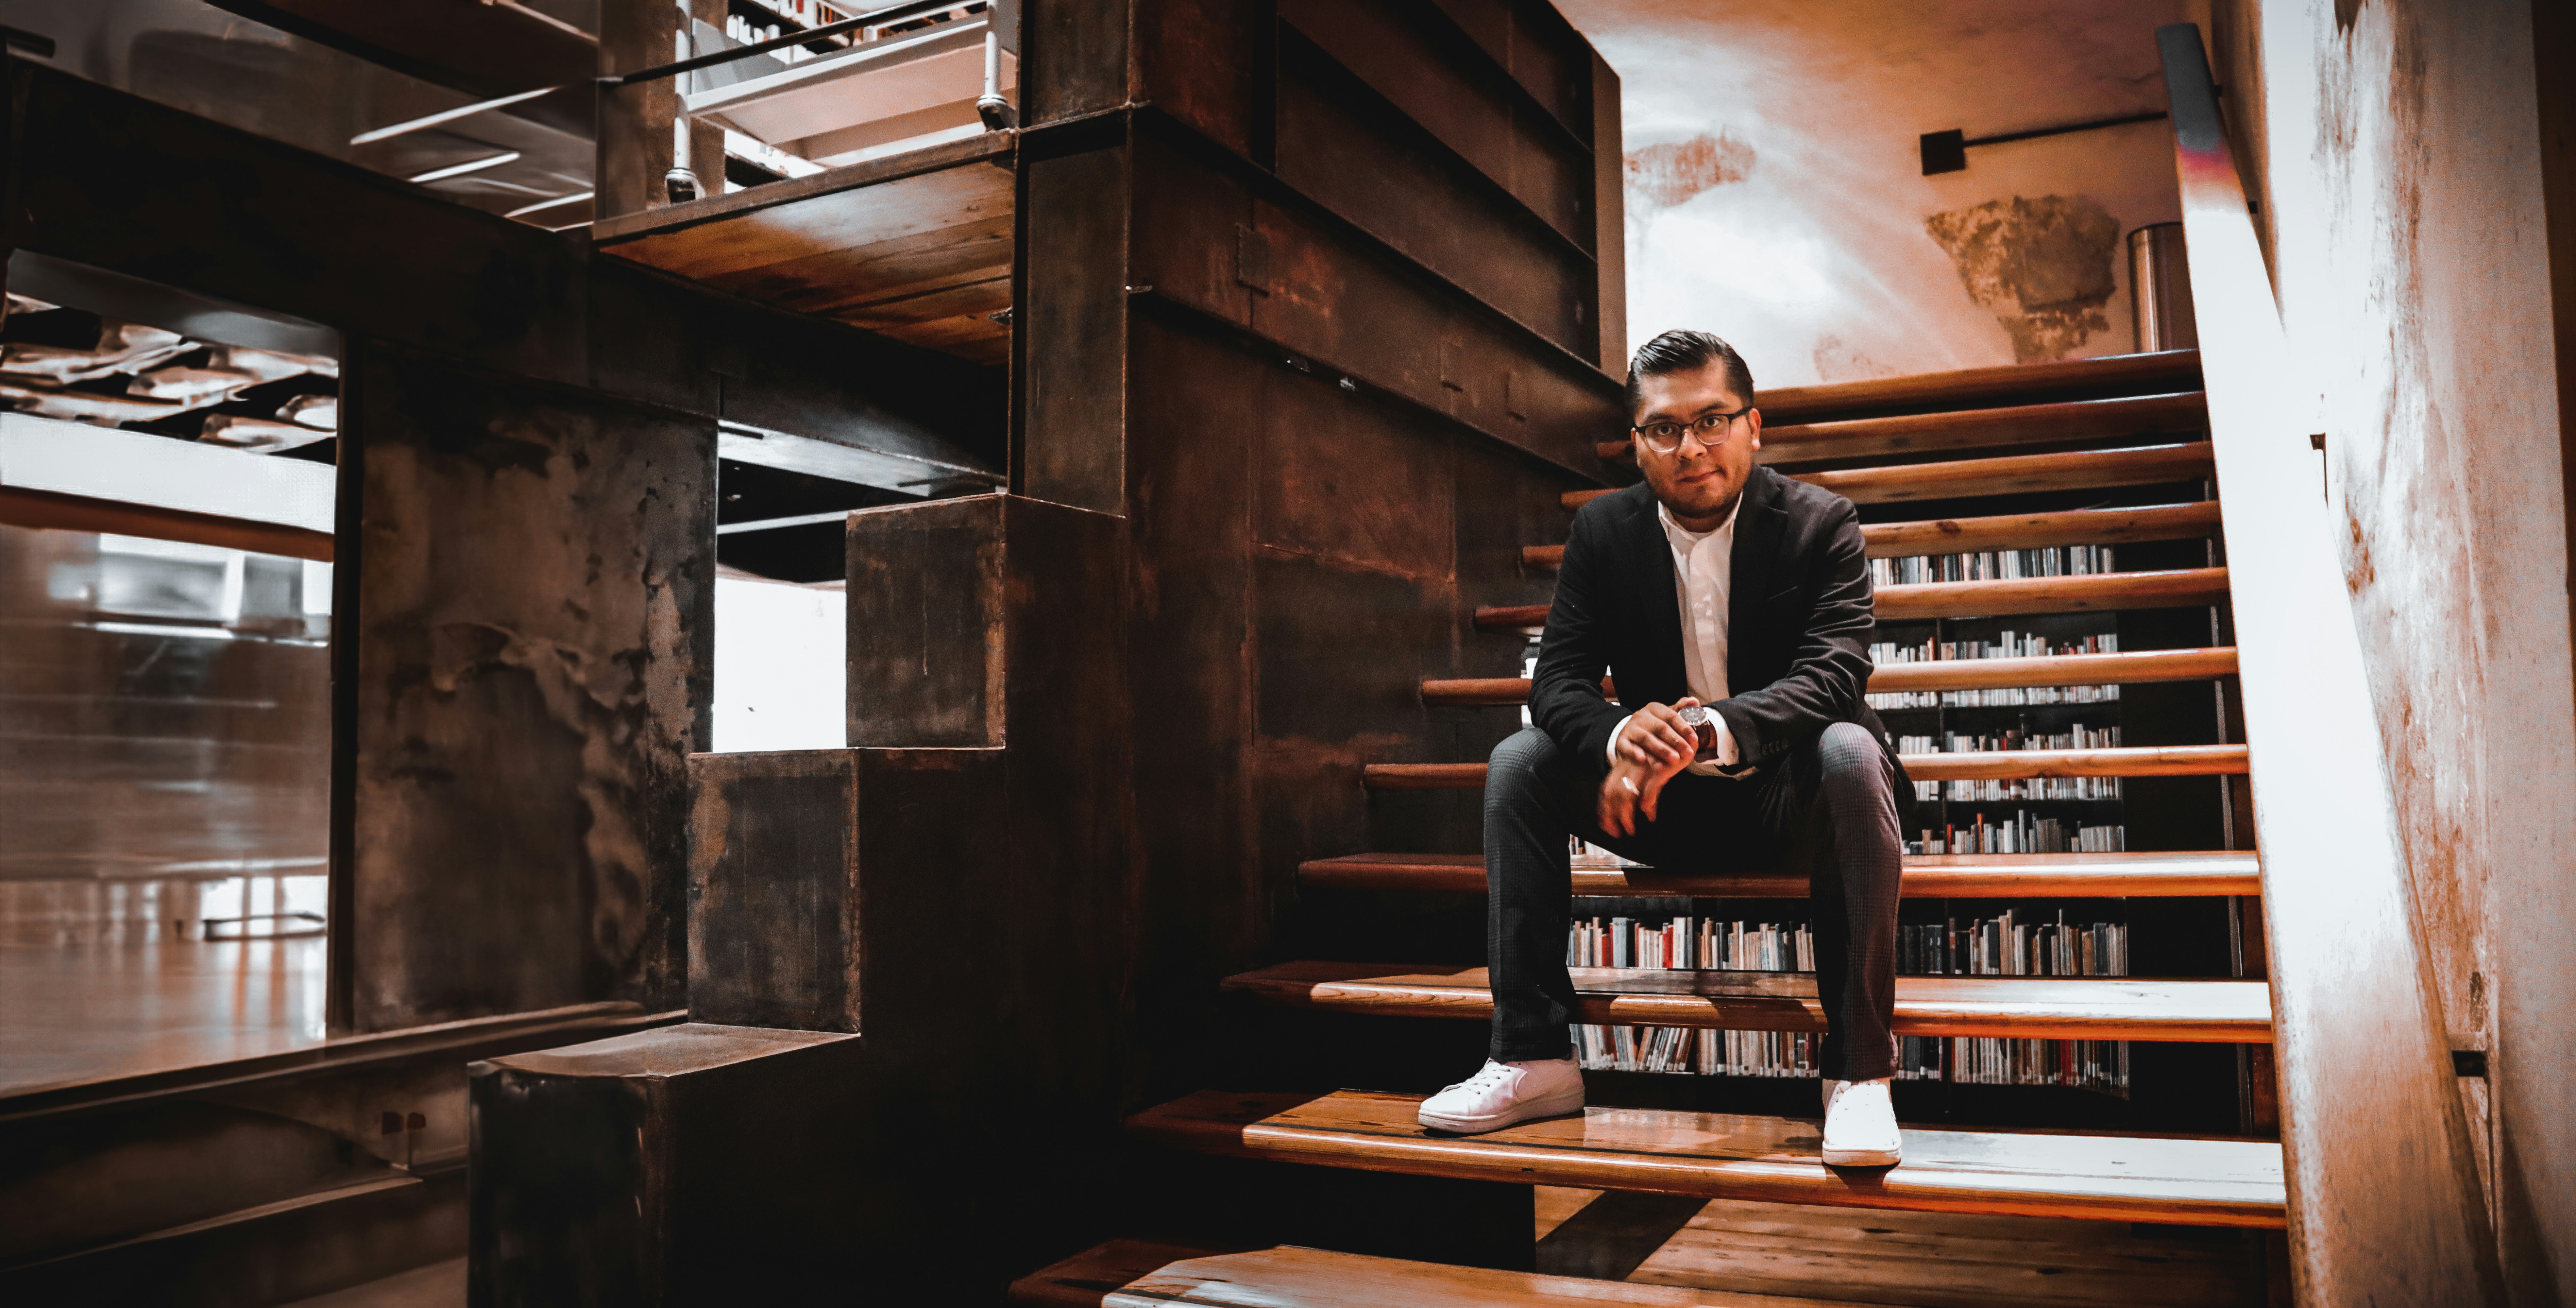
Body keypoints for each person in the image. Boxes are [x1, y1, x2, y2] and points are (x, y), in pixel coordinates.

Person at [1415, 329, 1912, 1168]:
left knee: (1850, 748)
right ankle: (1533, 1053)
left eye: (1712, 419)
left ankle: (1859, 1072)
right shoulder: (1603, 532)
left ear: (1754, 426)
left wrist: (1697, 731)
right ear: (1637, 444)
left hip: (1790, 803)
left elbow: (1835, 673)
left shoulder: (1823, 523)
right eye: (1663, 428)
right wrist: (1618, 732)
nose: (1691, 447)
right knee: (1520, 761)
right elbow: (1559, 682)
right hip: (1660, 810)